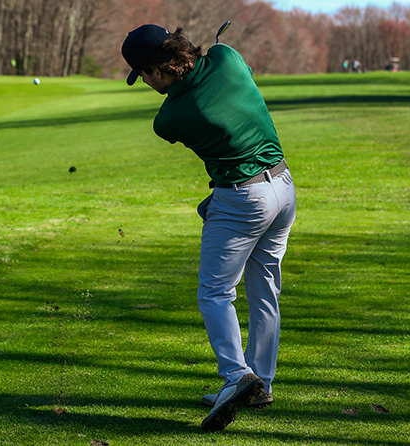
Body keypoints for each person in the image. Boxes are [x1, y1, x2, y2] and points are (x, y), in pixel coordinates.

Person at [121, 24, 296, 432]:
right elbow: (235, 75)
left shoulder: (169, 119)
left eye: (143, 76)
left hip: (241, 201)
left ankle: (238, 377)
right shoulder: (228, 57)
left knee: (215, 292)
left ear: (157, 71)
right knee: (265, 288)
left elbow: (194, 107)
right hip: (284, 187)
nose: (146, 84)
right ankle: (262, 383)